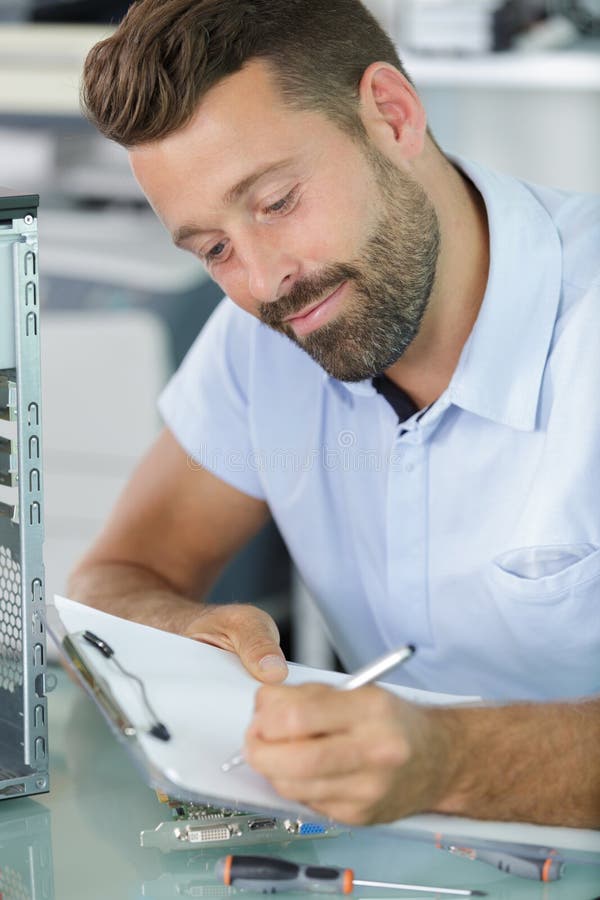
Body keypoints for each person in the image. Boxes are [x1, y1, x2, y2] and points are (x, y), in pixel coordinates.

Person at [70, 0, 600, 827]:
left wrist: (452, 759)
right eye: (212, 249)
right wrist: (187, 632)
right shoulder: (265, 340)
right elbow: (112, 581)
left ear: (393, 115)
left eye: (277, 201)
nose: (261, 280)